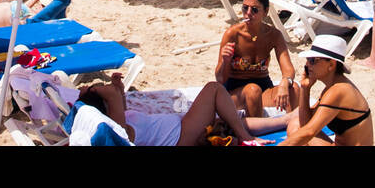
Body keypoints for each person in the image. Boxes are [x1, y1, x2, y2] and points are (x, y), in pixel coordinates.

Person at [76, 73, 262, 146]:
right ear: (105, 103)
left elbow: (120, 105)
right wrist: (101, 91)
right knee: (213, 89)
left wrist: (119, 88)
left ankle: (285, 120)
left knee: (230, 119)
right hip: (179, 137)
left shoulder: (118, 120)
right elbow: (113, 99)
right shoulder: (118, 130)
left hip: (179, 129)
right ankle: (246, 138)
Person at [215, 0, 297, 116]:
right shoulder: (232, 34)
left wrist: (285, 82)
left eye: (254, 10)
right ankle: (255, 134)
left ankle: (294, 129)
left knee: (294, 90)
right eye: (245, 8)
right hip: (235, 91)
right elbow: (220, 78)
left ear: (265, 12)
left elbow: (288, 68)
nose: (248, 13)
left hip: (263, 86)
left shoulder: (273, 35)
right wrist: (225, 61)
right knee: (253, 91)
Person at [280, 35, 374, 146]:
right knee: (295, 125)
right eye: (308, 60)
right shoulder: (332, 87)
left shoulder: (339, 91)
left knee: (299, 133)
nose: (307, 65)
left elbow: (309, 132)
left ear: (331, 65)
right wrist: (305, 89)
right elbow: (305, 123)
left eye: (313, 60)